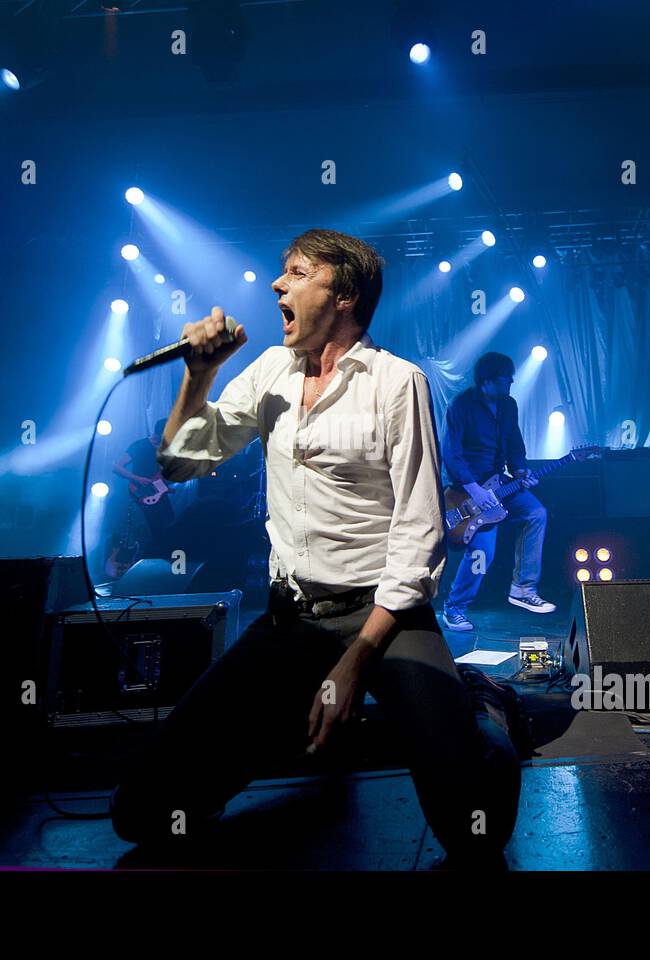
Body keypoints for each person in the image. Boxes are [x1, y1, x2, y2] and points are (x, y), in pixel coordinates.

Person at [109, 229, 521, 868]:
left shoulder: (396, 382)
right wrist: (200, 374)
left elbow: (422, 533)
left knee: (475, 834)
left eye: (298, 272)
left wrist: (355, 662)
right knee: (140, 815)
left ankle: (485, 705)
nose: (278, 285)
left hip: (384, 615)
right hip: (292, 618)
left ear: (346, 294)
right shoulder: (272, 369)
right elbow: (183, 461)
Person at [440, 352, 556, 632]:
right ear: (488, 381)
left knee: (536, 512)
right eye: (506, 378)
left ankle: (523, 588)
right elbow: (451, 454)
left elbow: (515, 443)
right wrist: (474, 489)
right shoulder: (461, 405)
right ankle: (454, 608)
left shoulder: (508, 405)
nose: (511, 382)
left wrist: (519, 471)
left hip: (500, 483)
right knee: (482, 554)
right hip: (465, 490)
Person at [112, 417, 174, 557]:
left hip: (158, 492)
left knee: (170, 523)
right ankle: (150, 557)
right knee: (153, 527)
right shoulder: (139, 446)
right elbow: (117, 467)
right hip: (141, 491)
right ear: (158, 434)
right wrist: (137, 479)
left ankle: (164, 558)